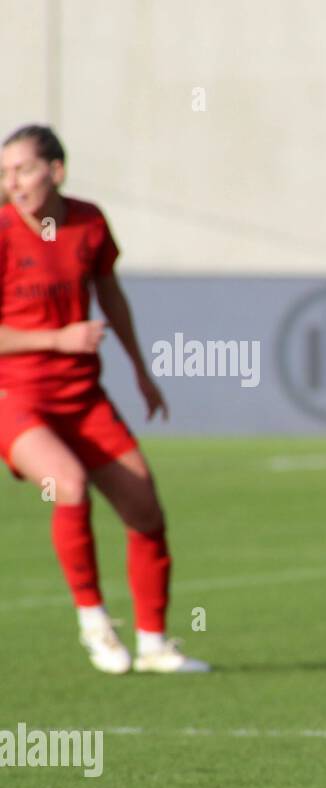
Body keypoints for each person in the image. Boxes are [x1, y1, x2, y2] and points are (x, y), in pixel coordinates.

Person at [0, 125, 208, 674]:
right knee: (65, 484)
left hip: (83, 396)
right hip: (14, 396)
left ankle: (155, 643)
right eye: (5, 172)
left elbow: (109, 292)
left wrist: (141, 368)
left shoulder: (88, 222)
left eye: (22, 169)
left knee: (145, 510)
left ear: (57, 171)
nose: (12, 183)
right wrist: (56, 338)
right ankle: (94, 622)